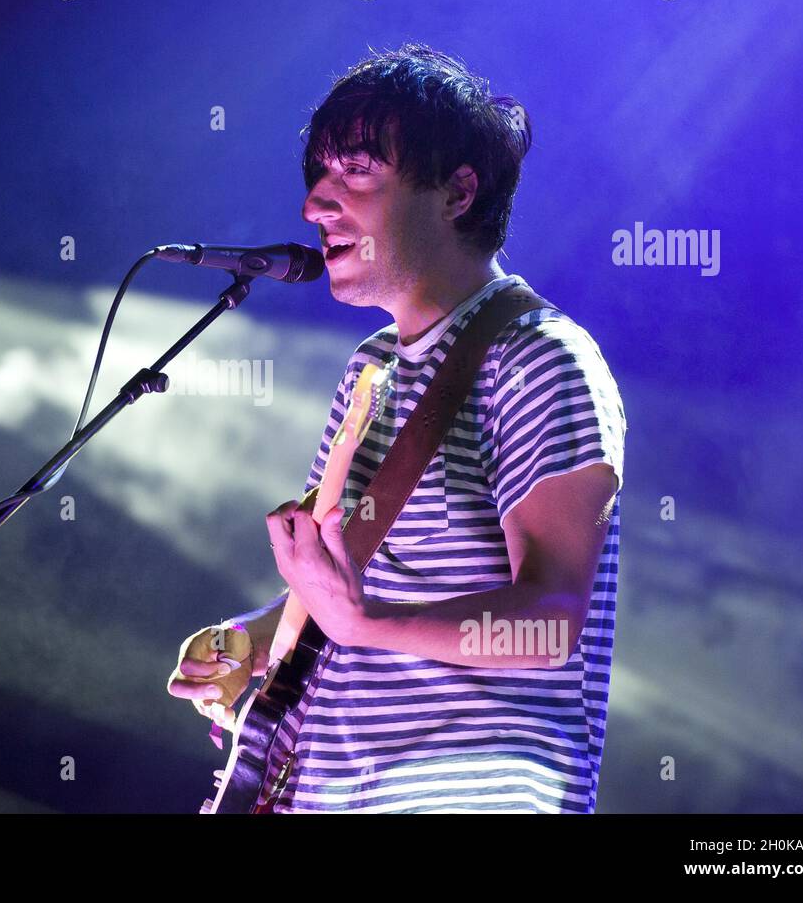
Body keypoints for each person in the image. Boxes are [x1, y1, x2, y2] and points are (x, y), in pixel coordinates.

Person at [167, 43, 626, 813]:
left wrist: (362, 620)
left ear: (456, 193)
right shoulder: (372, 369)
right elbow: (357, 592)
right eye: (318, 175)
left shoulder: (539, 359)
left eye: (355, 173)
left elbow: (547, 627)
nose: (316, 204)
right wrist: (257, 640)